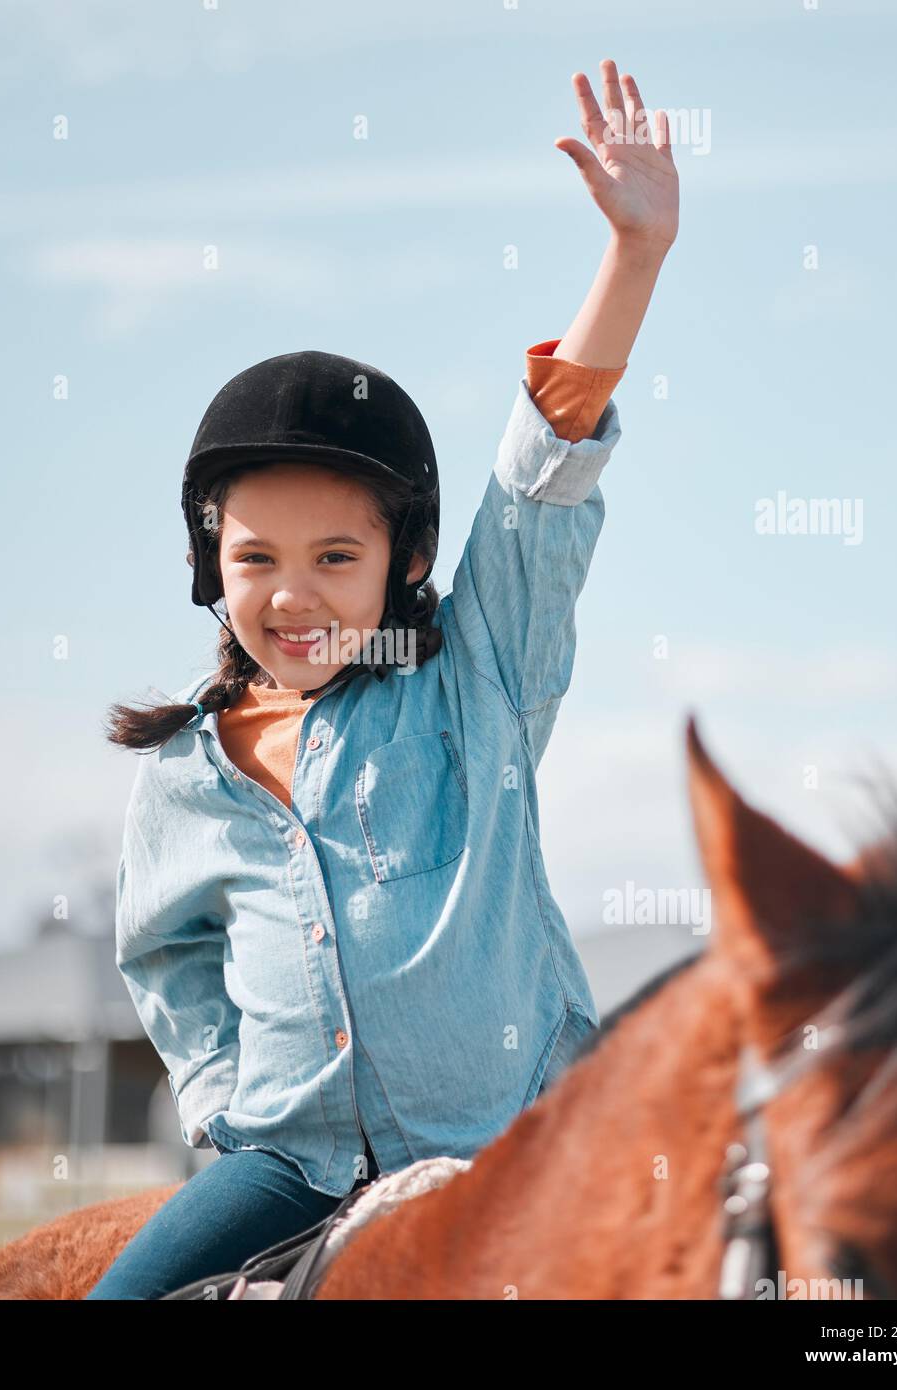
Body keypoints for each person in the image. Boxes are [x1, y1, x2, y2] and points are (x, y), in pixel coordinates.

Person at [86, 58, 678, 1300]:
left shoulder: (478, 680)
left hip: (517, 1143)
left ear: (405, 560)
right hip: (287, 1165)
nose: (292, 594)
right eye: (256, 558)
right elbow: (167, 957)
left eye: (335, 556)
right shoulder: (182, 780)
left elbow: (542, 481)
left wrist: (631, 257)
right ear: (212, 565)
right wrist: (219, 1100)